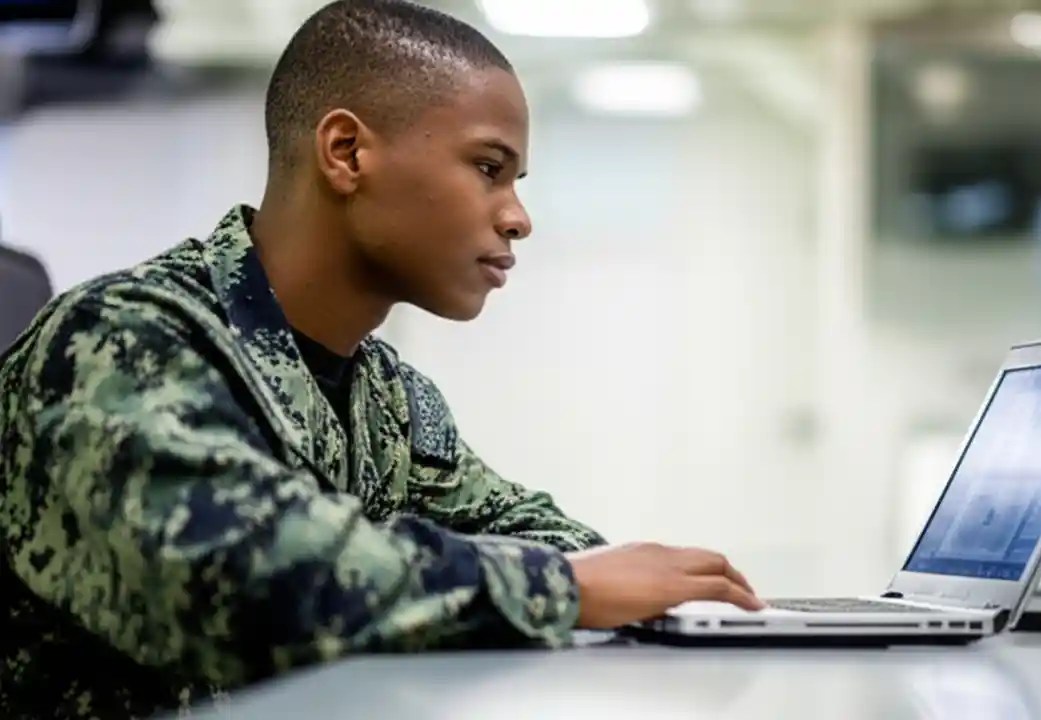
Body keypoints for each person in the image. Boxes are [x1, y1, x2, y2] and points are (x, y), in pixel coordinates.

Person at [0, 1, 763, 717]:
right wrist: (559, 588)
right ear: (346, 152)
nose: (518, 218)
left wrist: (604, 581)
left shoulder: (388, 398)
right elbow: (247, 582)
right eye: (489, 168)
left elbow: (527, 529)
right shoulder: (121, 341)